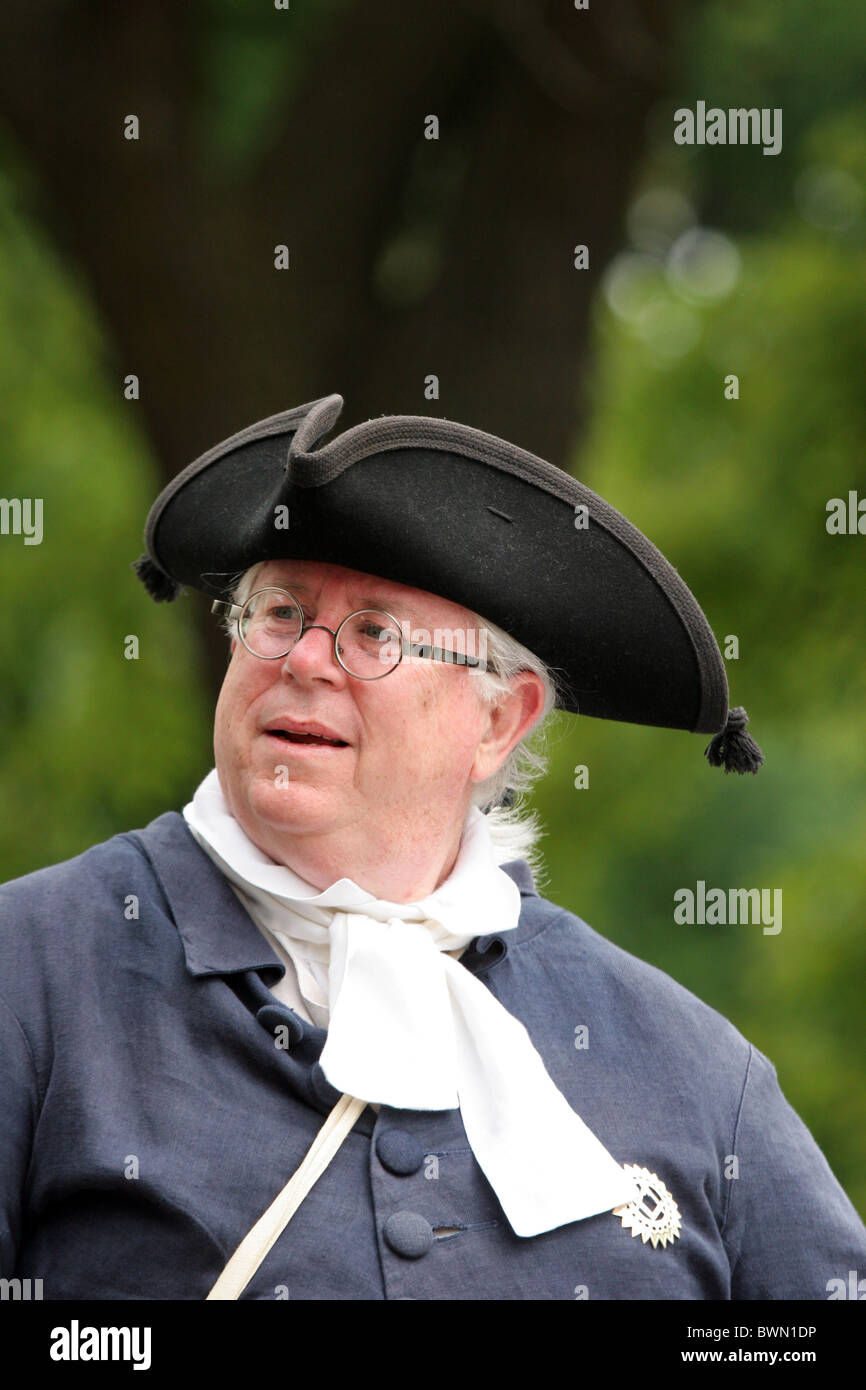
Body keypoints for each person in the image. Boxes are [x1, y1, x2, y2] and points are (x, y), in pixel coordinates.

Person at [1, 393, 863, 1301]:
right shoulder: (30, 970)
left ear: (498, 721)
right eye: (280, 613)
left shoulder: (696, 1072)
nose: (304, 659)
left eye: (375, 633)